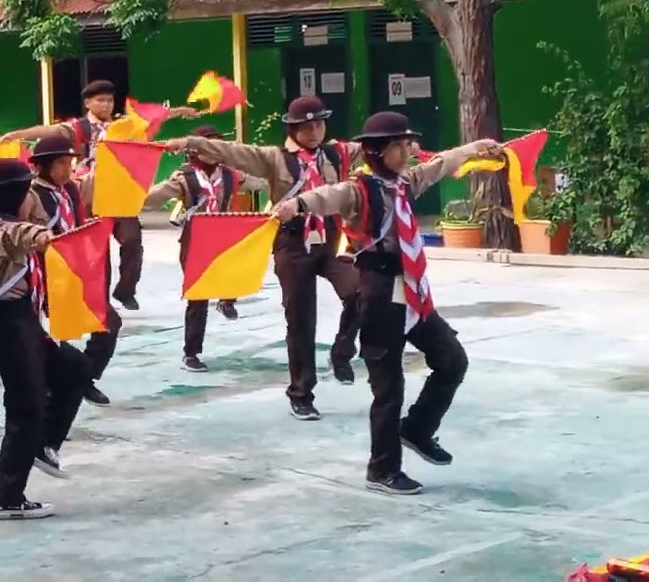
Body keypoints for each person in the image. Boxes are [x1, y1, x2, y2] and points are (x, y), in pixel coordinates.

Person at [274, 111, 502, 495]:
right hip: (379, 289)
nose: (407, 150)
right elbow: (326, 196)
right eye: (398, 145)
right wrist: (296, 206)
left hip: (412, 288)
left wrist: (474, 148)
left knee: (452, 360)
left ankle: (417, 429)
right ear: (377, 151)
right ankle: (382, 469)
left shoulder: (407, 182)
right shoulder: (358, 190)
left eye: (407, 143)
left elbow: (440, 164)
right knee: (388, 386)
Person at [163, 95, 363, 421]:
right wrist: (188, 141)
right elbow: (231, 151)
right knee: (301, 321)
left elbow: (372, 147)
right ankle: (301, 394)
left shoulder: (336, 153)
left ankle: (342, 352)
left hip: (328, 242)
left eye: (319, 124)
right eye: (306, 126)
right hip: (292, 246)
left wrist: (408, 146)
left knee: (360, 291)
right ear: (293, 129)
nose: (314, 131)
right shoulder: (274, 159)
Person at [1, 79, 200, 311]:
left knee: (132, 241)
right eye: (100, 100)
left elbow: (152, 118)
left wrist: (180, 111)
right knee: (98, 251)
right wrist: (17, 134)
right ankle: (101, 302)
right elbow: (50, 130)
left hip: (118, 194)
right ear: (88, 102)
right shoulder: (79, 128)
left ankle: (126, 290)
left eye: (109, 100)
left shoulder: (123, 126)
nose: (105, 105)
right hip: (89, 196)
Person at [0, 158, 92, 520]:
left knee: (74, 367)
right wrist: (49, 237)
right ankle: (7, 498)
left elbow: (27, 227)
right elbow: (25, 236)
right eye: (26, 192)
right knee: (25, 409)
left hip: (23, 323)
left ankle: (43, 446)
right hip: (8, 328)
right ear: (13, 196)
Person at [142, 126, 266, 372]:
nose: (213, 151)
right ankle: (191, 353)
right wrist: (133, 197)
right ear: (194, 150)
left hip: (222, 236)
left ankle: (227, 300)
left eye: (218, 145)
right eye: (207, 145)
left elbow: (259, 183)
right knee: (198, 297)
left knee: (242, 264)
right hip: (195, 240)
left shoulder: (231, 175)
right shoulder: (184, 178)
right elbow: (155, 196)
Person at [25, 135, 120, 407]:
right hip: (45, 275)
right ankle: (49, 392)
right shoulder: (31, 195)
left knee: (108, 321)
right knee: (52, 337)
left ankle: (84, 378)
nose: (68, 169)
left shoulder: (71, 190)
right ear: (43, 166)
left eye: (70, 162)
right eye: (61, 163)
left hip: (75, 270)